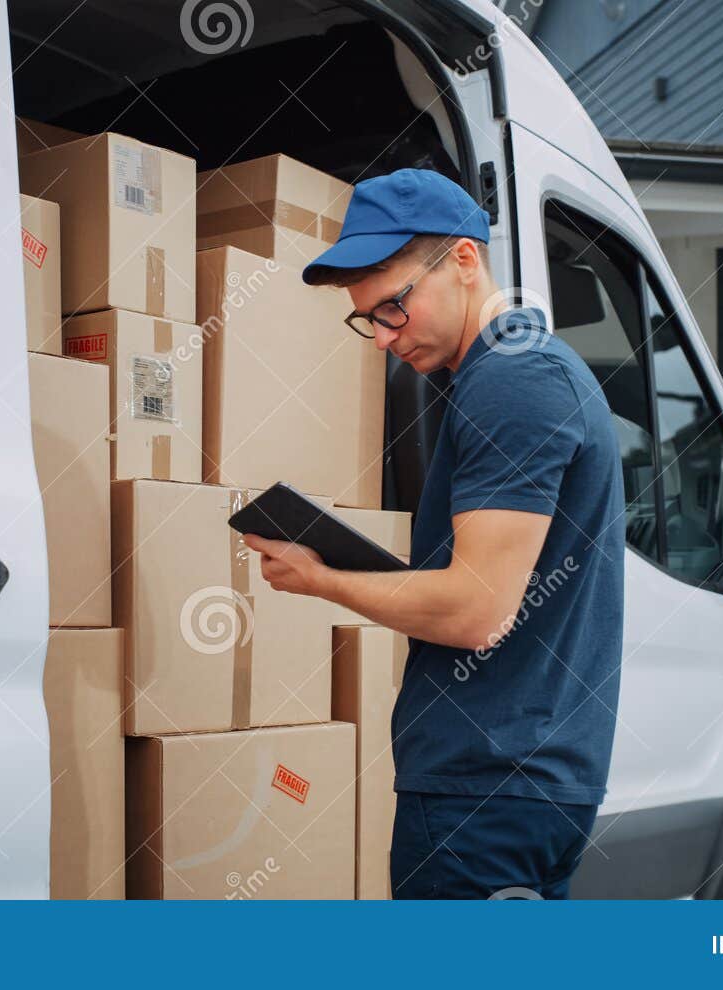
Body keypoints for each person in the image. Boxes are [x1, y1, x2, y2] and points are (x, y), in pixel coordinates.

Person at [241, 168, 625, 900]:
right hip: (517, 786)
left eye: (393, 307)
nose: (384, 338)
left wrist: (319, 577)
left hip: (483, 792)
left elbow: (476, 612)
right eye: (368, 320)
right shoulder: (517, 373)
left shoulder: (514, 382)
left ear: (464, 260)